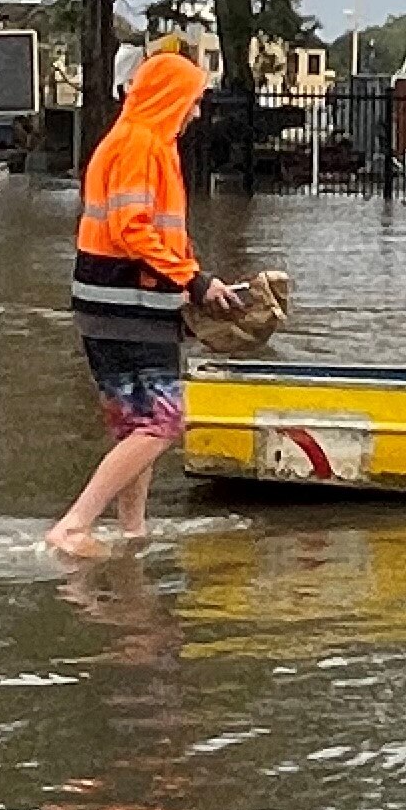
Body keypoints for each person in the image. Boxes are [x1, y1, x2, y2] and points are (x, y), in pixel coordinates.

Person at [51, 46, 246, 559]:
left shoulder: (131, 140)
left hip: (110, 305)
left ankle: (131, 533)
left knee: (135, 426)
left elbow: (160, 234)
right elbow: (133, 229)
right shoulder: (142, 145)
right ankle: (73, 526)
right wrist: (196, 282)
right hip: (127, 307)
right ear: (169, 98)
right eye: (194, 100)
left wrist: (199, 280)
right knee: (163, 422)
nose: (197, 112)